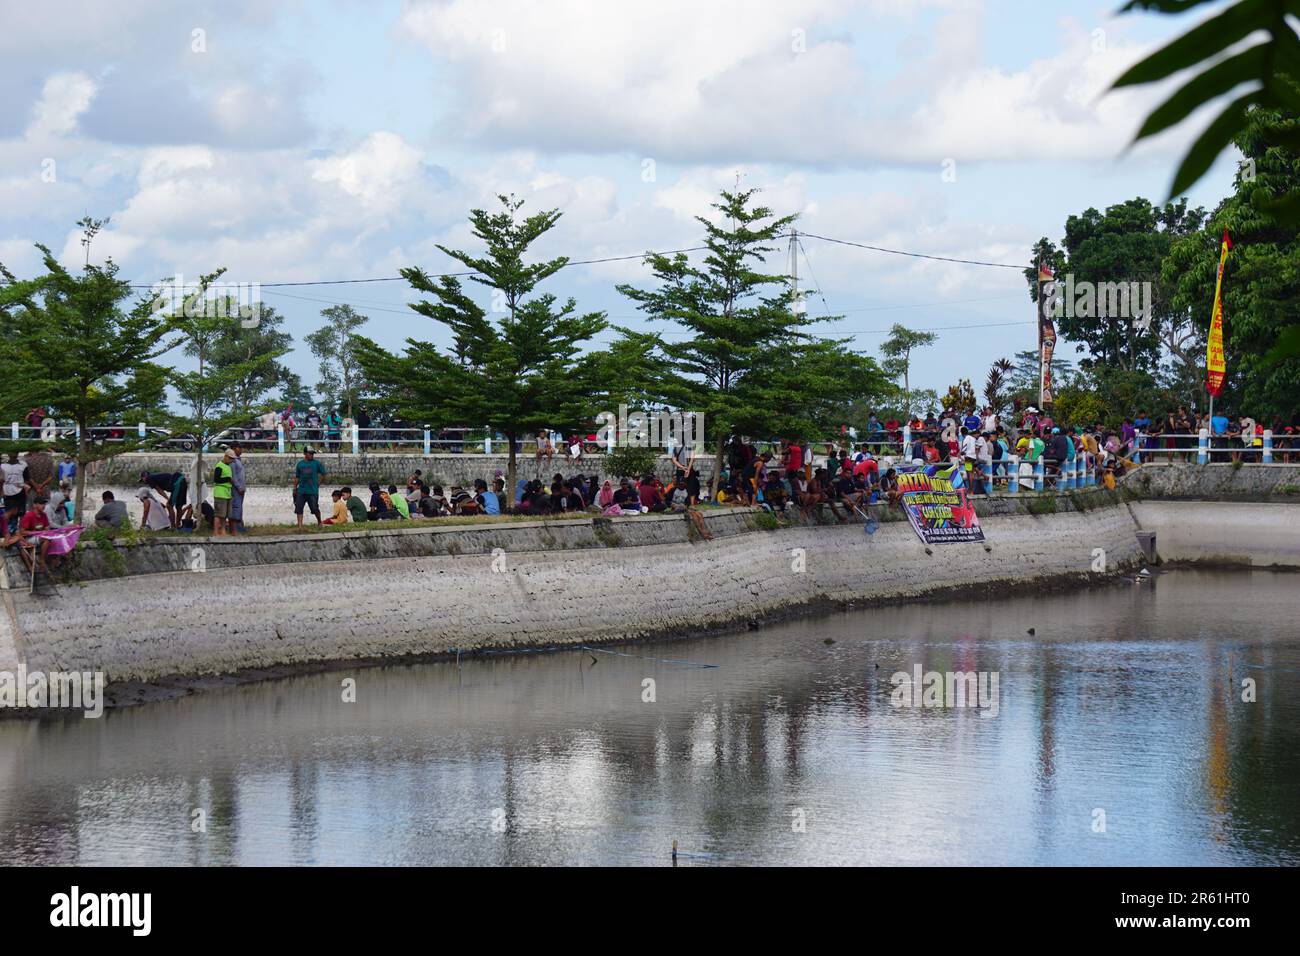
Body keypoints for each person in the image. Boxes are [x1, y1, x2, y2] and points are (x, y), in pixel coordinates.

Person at [294, 447, 326, 526]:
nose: (311, 455)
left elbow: (323, 474)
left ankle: (319, 521)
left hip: (312, 490)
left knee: (315, 508)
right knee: (299, 508)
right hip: (301, 490)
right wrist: (295, 488)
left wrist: (318, 483)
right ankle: (300, 525)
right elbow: (297, 477)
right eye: (310, 453)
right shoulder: (300, 464)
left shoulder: (316, 463)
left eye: (312, 453)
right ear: (304, 453)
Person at [212, 447, 236, 536]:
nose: (231, 460)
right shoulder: (219, 466)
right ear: (225, 456)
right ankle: (215, 532)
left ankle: (222, 531)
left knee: (225, 514)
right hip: (220, 492)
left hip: (227, 493)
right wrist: (228, 479)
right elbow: (216, 479)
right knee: (218, 514)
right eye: (230, 458)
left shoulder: (228, 466)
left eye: (232, 459)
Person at [229, 441, 247, 533]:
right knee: (236, 507)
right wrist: (239, 487)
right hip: (236, 489)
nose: (241, 450)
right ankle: (236, 528)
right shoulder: (232, 461)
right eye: (239, 448)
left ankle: (239, 525)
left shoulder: (238, 459)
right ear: (234, 448)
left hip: (241, 488)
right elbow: (233, 476)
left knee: (239, 506)